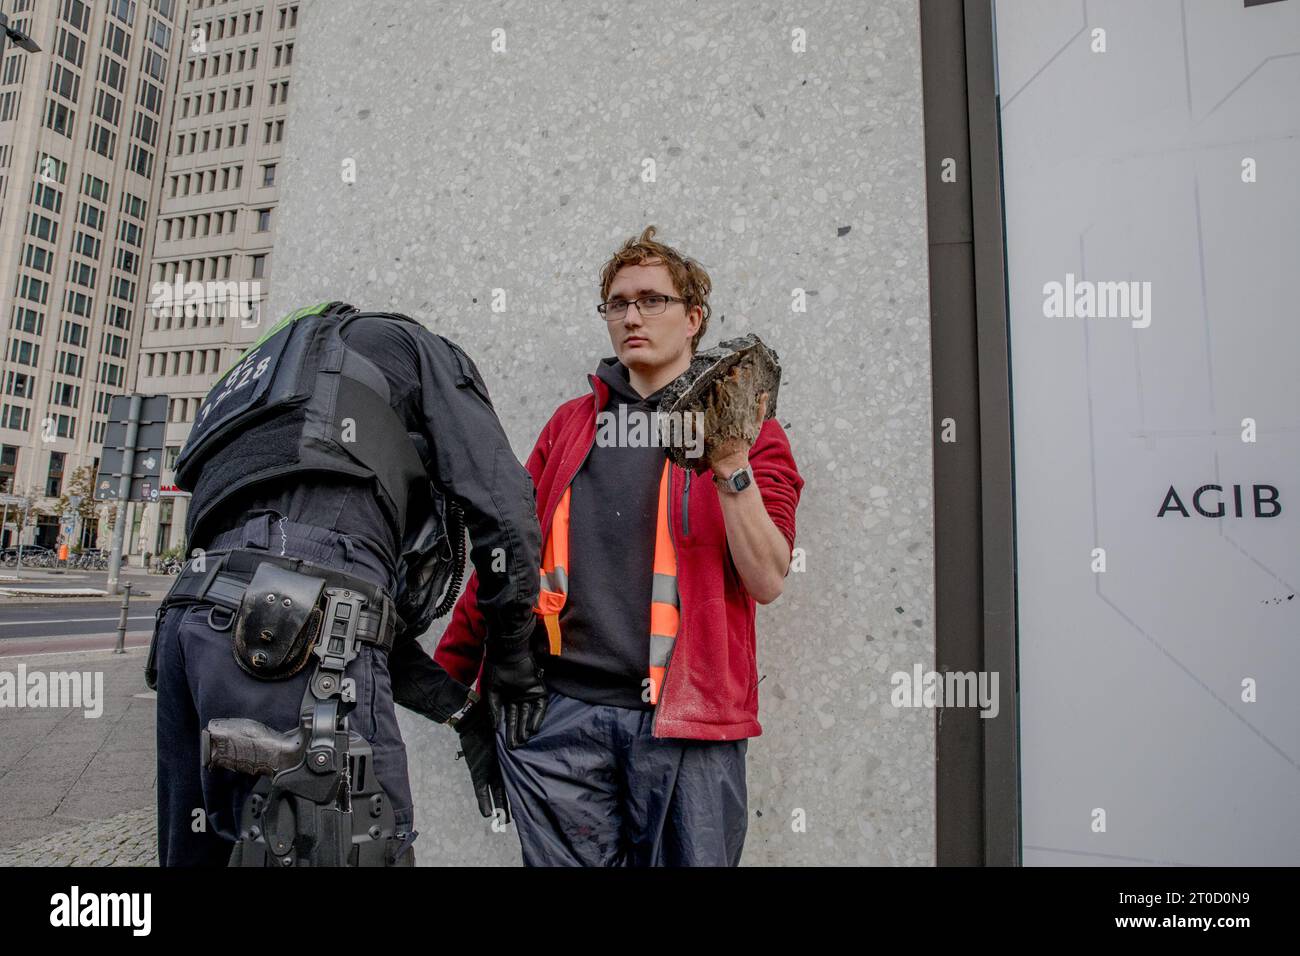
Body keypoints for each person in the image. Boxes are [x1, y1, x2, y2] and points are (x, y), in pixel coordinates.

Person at [436, 227, 804, 866]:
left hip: (687, 729)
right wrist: (453, 682)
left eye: (651, 300)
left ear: (693, 319)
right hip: (558, 722)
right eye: (616, 302)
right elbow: (508, 550)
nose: (631, 315)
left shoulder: (753, 434)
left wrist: (729, 459)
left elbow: (767, 579)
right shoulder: (572, 423)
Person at [150, 301, 544, 866]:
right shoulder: (421, 351)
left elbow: (331, 610)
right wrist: (513, 656)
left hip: (190, 625)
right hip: (293, 632)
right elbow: (503, 510)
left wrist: (461, 710)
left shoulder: (272, 378)